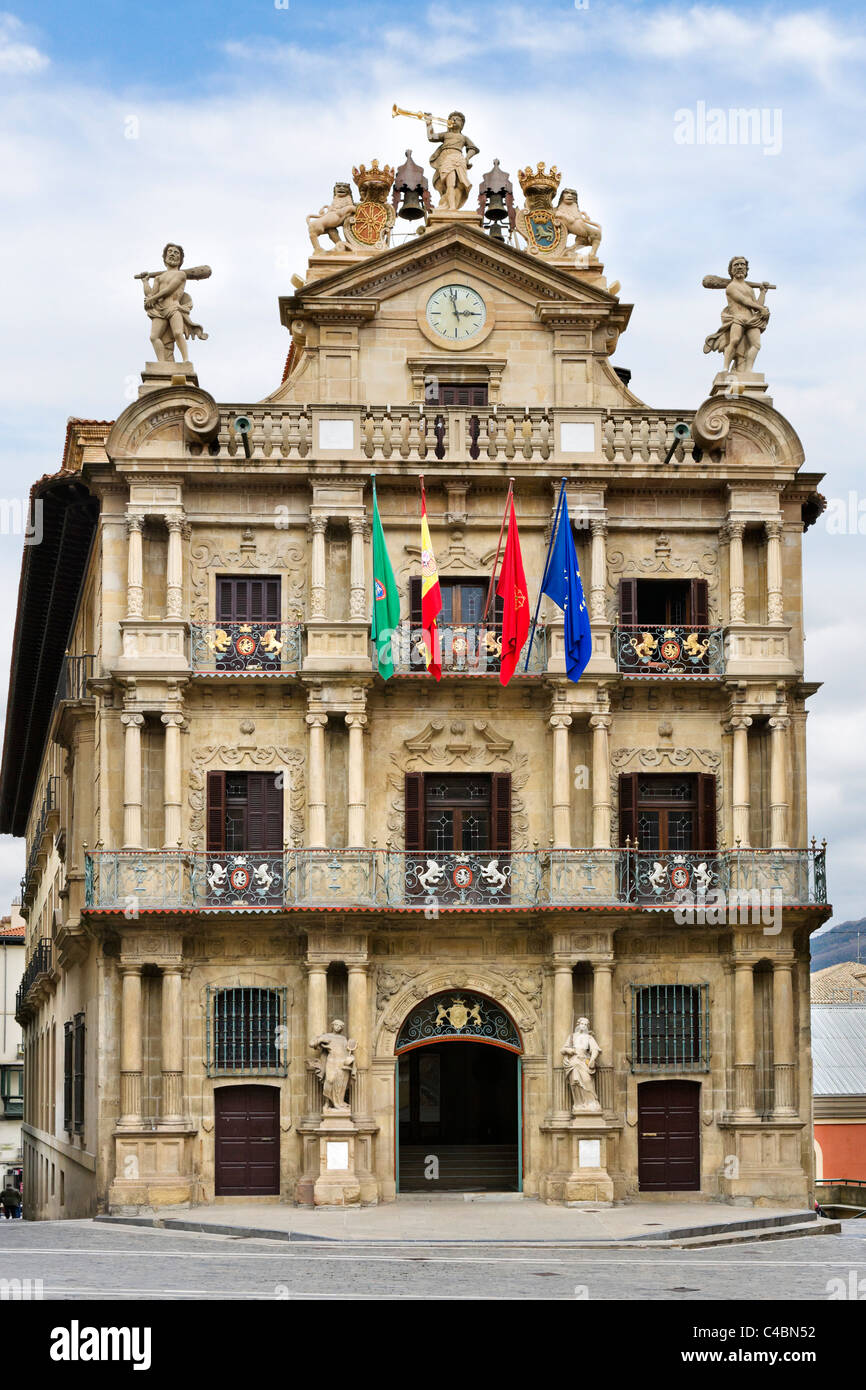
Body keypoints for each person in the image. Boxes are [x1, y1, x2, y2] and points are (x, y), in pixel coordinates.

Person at [134, 243, 212, 363]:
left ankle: (186, 360)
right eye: (170, 252)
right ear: (165, 258)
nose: (172, 254)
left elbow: (170, 289)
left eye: (176, 253)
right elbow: (151, 295)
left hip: (174, 307)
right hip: (160, 310)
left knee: (177, 333)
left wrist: (153, 298)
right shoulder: (158, 278)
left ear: (180, 260)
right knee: (154, 337)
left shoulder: (181, 274)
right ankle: (162, 363)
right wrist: (145, 282)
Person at [425, 112, 479, 211]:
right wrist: (429, 122)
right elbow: (431, 137)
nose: (454, 120)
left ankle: (451, 205)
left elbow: (473, 148)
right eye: (452, 118)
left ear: (462, 124)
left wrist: (467, 158)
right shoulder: (446, 135)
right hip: (446, 159)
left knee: (460, 185)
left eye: (457, 119)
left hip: (459, 159)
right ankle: (450, 206)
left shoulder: (463, 138)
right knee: (450, 183)